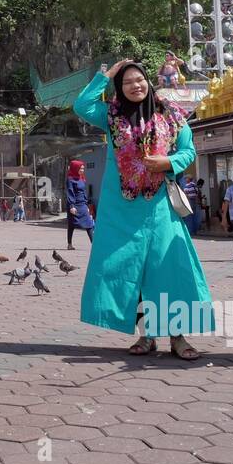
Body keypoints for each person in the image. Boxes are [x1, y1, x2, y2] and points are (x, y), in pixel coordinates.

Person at [73, 60, 212, 361]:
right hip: (120, 208)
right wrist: (105, 76)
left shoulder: (172, 115)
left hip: (160, 205)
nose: (135, 86)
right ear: (119, 89)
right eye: (126, 82)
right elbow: (81, 105)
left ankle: (178, 337)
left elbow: (188, 151)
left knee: (169, 268)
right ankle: (146, 334)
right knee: (127, 270)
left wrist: (168, 163)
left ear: (148, 82)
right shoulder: (109, 116)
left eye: (139, 80)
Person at [65, 160, 95, 249]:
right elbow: (70, 192)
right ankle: (69, 244)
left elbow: (83, 192)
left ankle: (94, 245)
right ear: (75, 168)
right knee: (71, 225)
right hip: (74, 205)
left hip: (82, 204)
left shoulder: (81, 178)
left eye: (83, 168)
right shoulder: (70, 180)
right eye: (81, 168)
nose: (82, 170)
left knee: (89, 224)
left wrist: (87, 204)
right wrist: (71, 206)